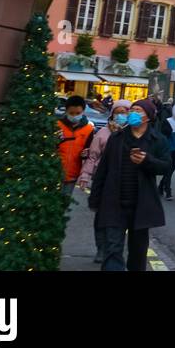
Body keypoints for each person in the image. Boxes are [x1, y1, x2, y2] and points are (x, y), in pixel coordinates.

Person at [88, 102, 170, 271]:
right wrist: (95, 199)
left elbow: (166, 166)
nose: (132, 113)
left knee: (138, 253)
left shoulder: (157, 139)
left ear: (148, 116)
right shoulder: (117, 137)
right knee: (113, 250)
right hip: (114, 203)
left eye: (138, 111)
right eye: (131, 110)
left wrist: (147, 161)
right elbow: (103, 169)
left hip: (141, 205)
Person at [78, 100, 130, 263]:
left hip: (124, 182)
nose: (121, 115)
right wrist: (85, 175)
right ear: (112, 113)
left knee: (120, 218)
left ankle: (114, 250)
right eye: (118, 112)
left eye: (125, 112)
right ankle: (101, 248)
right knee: (101, 215)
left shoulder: (132, 134)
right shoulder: (102, 133)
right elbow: (92, 156)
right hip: (104, 180)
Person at [57, 95, 94, 201]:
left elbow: (89, 151)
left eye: (78, 113)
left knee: (64, 203)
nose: (74, 116)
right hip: (55, 172)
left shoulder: (88, 129)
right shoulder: (58, 125)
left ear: (83, 112)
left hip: (73, 174)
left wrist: (85, 154)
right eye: (71, 113)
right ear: (66, 111)